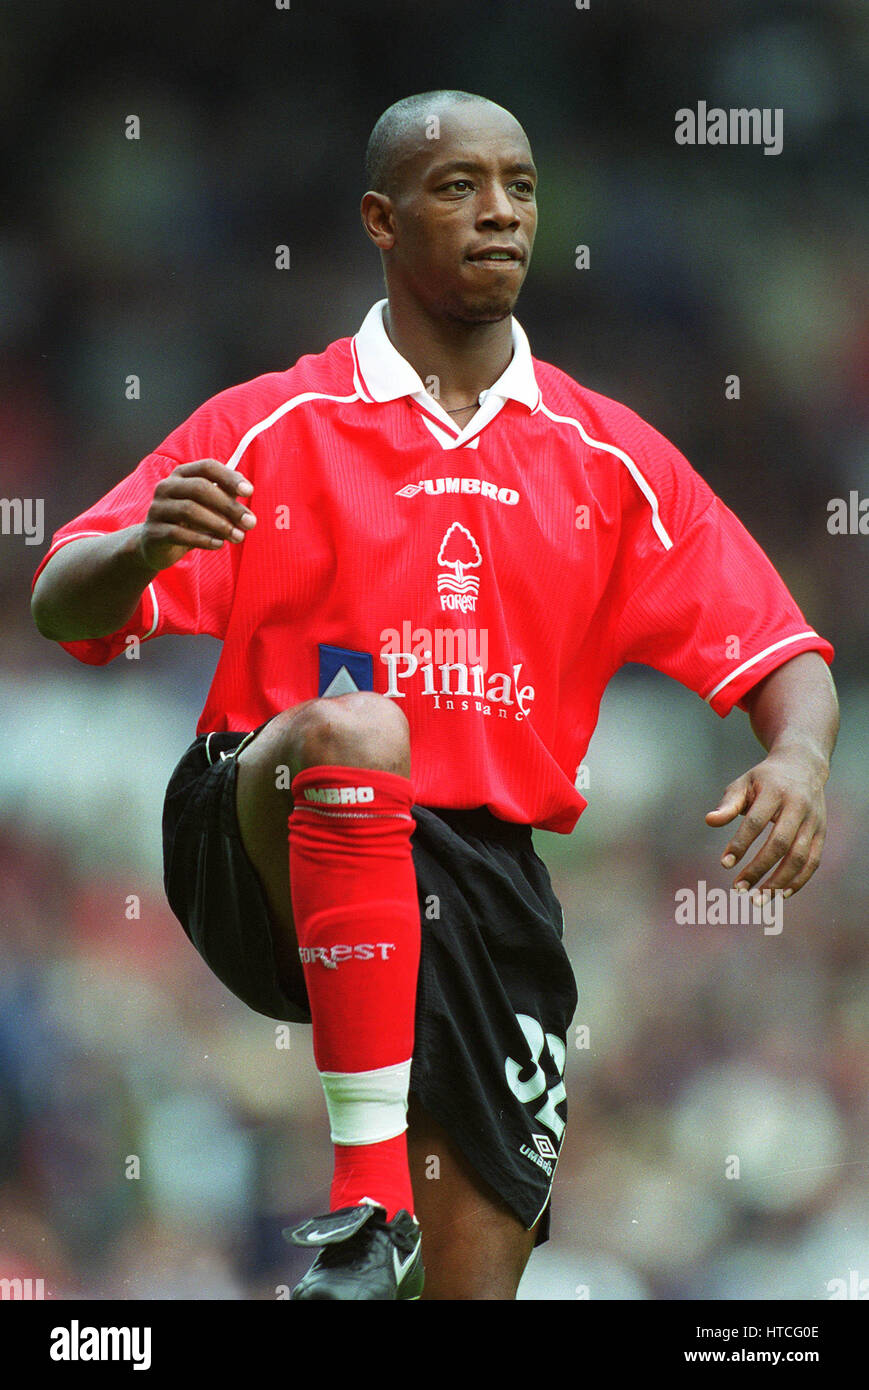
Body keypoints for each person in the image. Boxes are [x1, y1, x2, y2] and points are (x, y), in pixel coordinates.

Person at [30, 90, 838, 1301]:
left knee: (464, 1288)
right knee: (356, 728)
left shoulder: (605, 456)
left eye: (516, 185)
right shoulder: (273, 422)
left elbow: (783, 655)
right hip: (263, 835)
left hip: (483, 888)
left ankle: (391, 1243)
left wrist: (798, 761)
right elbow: (61, 598)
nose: (499, 212)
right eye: (456, 186)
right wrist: (141, 549)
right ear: (379, 218)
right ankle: (363, 1200)